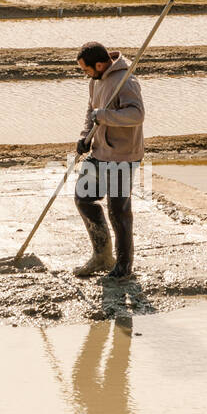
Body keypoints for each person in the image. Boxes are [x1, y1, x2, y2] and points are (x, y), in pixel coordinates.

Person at [73, 41, 144, 279]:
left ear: (100, 64)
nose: (85, 74)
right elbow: (90, 112)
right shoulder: (96, 81)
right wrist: (84, 137)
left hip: (122, 156)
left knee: (118, 211)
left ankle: (124, 268)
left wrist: (105, 116)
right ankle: (102, 256)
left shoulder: (126, 81)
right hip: (99, 152)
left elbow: (137, 114)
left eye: (86, 69)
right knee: (83, 199)